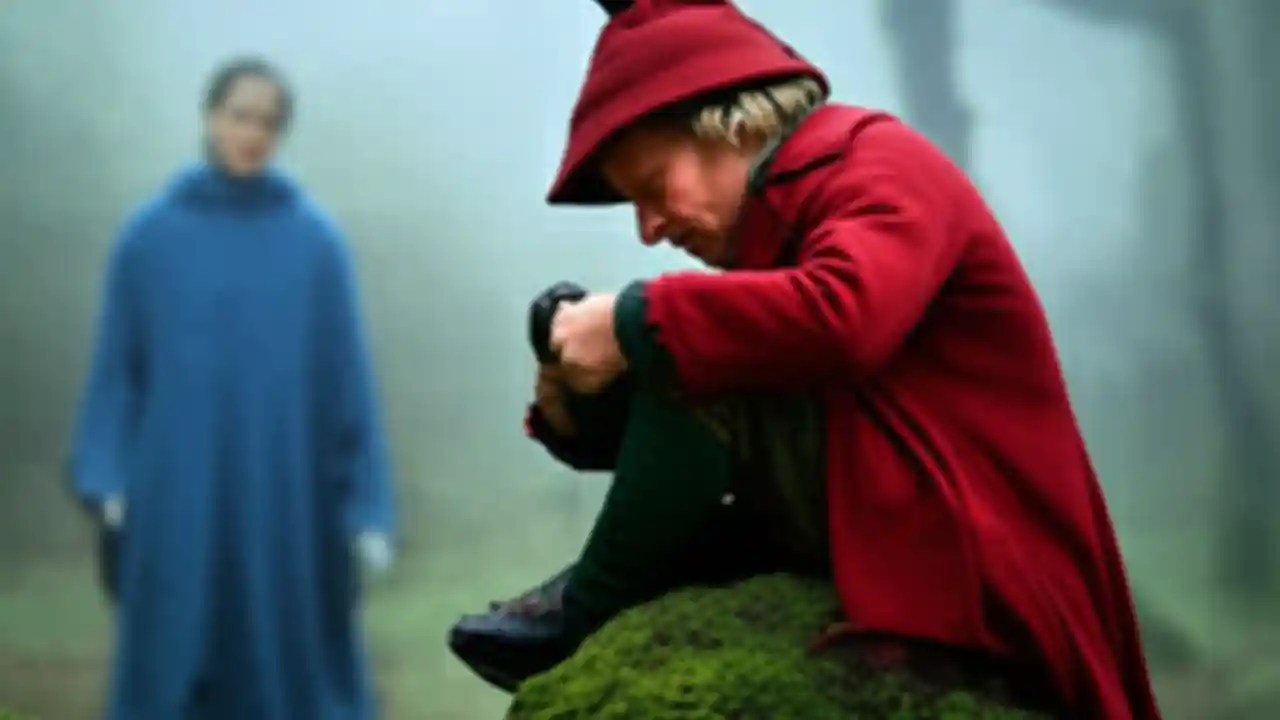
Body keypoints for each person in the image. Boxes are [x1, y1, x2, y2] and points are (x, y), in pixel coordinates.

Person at [448, 1, 1163, 718]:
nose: (650, 229)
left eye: (654, 189)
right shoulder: (794, 214)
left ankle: (586, 611)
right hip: (899, 513)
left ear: (737, 125)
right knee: (691, 349)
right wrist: (578, 401)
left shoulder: (879, 163)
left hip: (988, 559)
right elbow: (706, 428)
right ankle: (597, 598)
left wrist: (634, 320)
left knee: (693, 348)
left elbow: (847, 319)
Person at [69, 57, 396, 720]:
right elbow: (118, 368)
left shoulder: (314, 245)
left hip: (283, 493)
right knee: (173, 647)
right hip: (173, 496)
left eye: (269, 122)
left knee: (282, 650)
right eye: (240, 115)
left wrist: (366, 503)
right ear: (210, 116)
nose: (253, 133)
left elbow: (346, 385)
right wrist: (106, 474)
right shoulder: (149, 239)